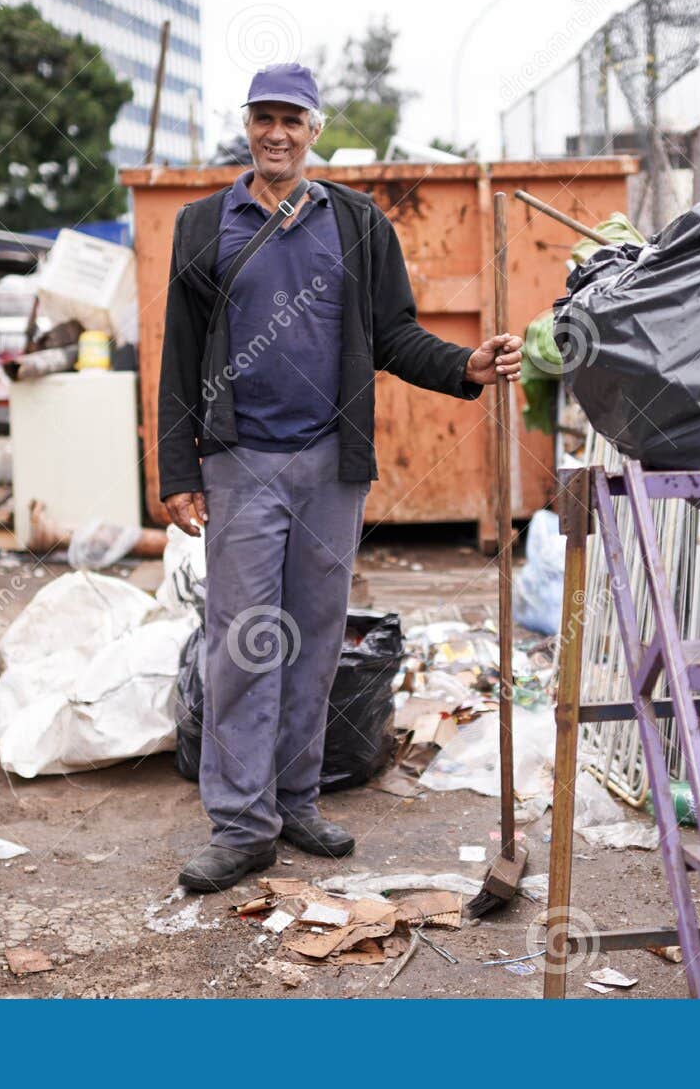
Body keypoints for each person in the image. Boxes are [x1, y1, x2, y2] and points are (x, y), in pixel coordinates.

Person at [157, 63, 522, 892]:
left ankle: (296, 799)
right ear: (247, 127)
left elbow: (393, 335)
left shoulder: (357, 225)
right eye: (263, 119)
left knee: (316, 641)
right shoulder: (201, 225)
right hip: (240, 463)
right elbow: (179, 351)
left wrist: (464, 363)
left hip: (331, 464)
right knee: (243, 644)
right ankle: (242, 825)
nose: (276, 133)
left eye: (292, 119)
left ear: (315, 129)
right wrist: (178, 466)